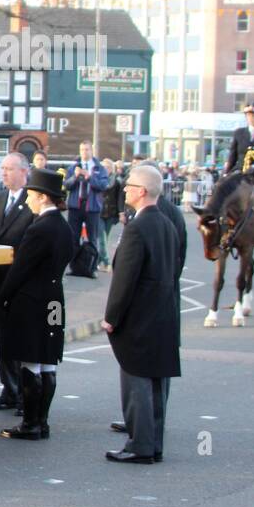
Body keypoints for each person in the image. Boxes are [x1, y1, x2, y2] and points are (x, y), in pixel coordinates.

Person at [103, 165, 181, 464]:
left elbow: (125, 279)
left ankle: (139, 445)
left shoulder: (137, 228)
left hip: (138, 317)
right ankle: (153, 444)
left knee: (136, 384)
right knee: (157, 383)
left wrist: (111, 316)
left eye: (129, 185)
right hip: (164, 313)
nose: (124, 189)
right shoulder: (168, 224)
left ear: (142, 191)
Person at [0, 169, 75, 441]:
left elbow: (19, 270)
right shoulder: (64, 227)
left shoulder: (38, 228)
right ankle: (43, 422)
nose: (26, 198)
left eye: (30, 194)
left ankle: (30, 423)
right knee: (48, 360)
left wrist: (2, 298)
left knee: (30, 362)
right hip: (54, 301)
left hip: (32, 303)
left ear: (41, 197)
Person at [0, 152, 33, 413]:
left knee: (21, 340)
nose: (4, 173)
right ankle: (9, 390)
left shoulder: (32, 201)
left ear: (24, 172)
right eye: (2, 168)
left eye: (10, 169)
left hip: (21, 282)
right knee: (2, 339)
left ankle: (25, 395)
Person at [63, 141, 109, 268]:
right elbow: (66, 185)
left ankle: (92, 267)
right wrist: (75, 177)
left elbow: (103, 185)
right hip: (75, 207)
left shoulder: (99, 168)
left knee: (92, 239)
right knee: (73, 238)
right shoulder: (73, 167)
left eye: (87, 149)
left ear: (92, 150)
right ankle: (74, 266)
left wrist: (89, 177)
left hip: (92, 207)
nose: (84, 152)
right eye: (82, 149)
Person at [225, 99, 254, 173]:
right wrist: (226, 173)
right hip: (240, 170)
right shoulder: (238, 133)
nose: (251, 118)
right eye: (248, 115)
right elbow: (232, 156)